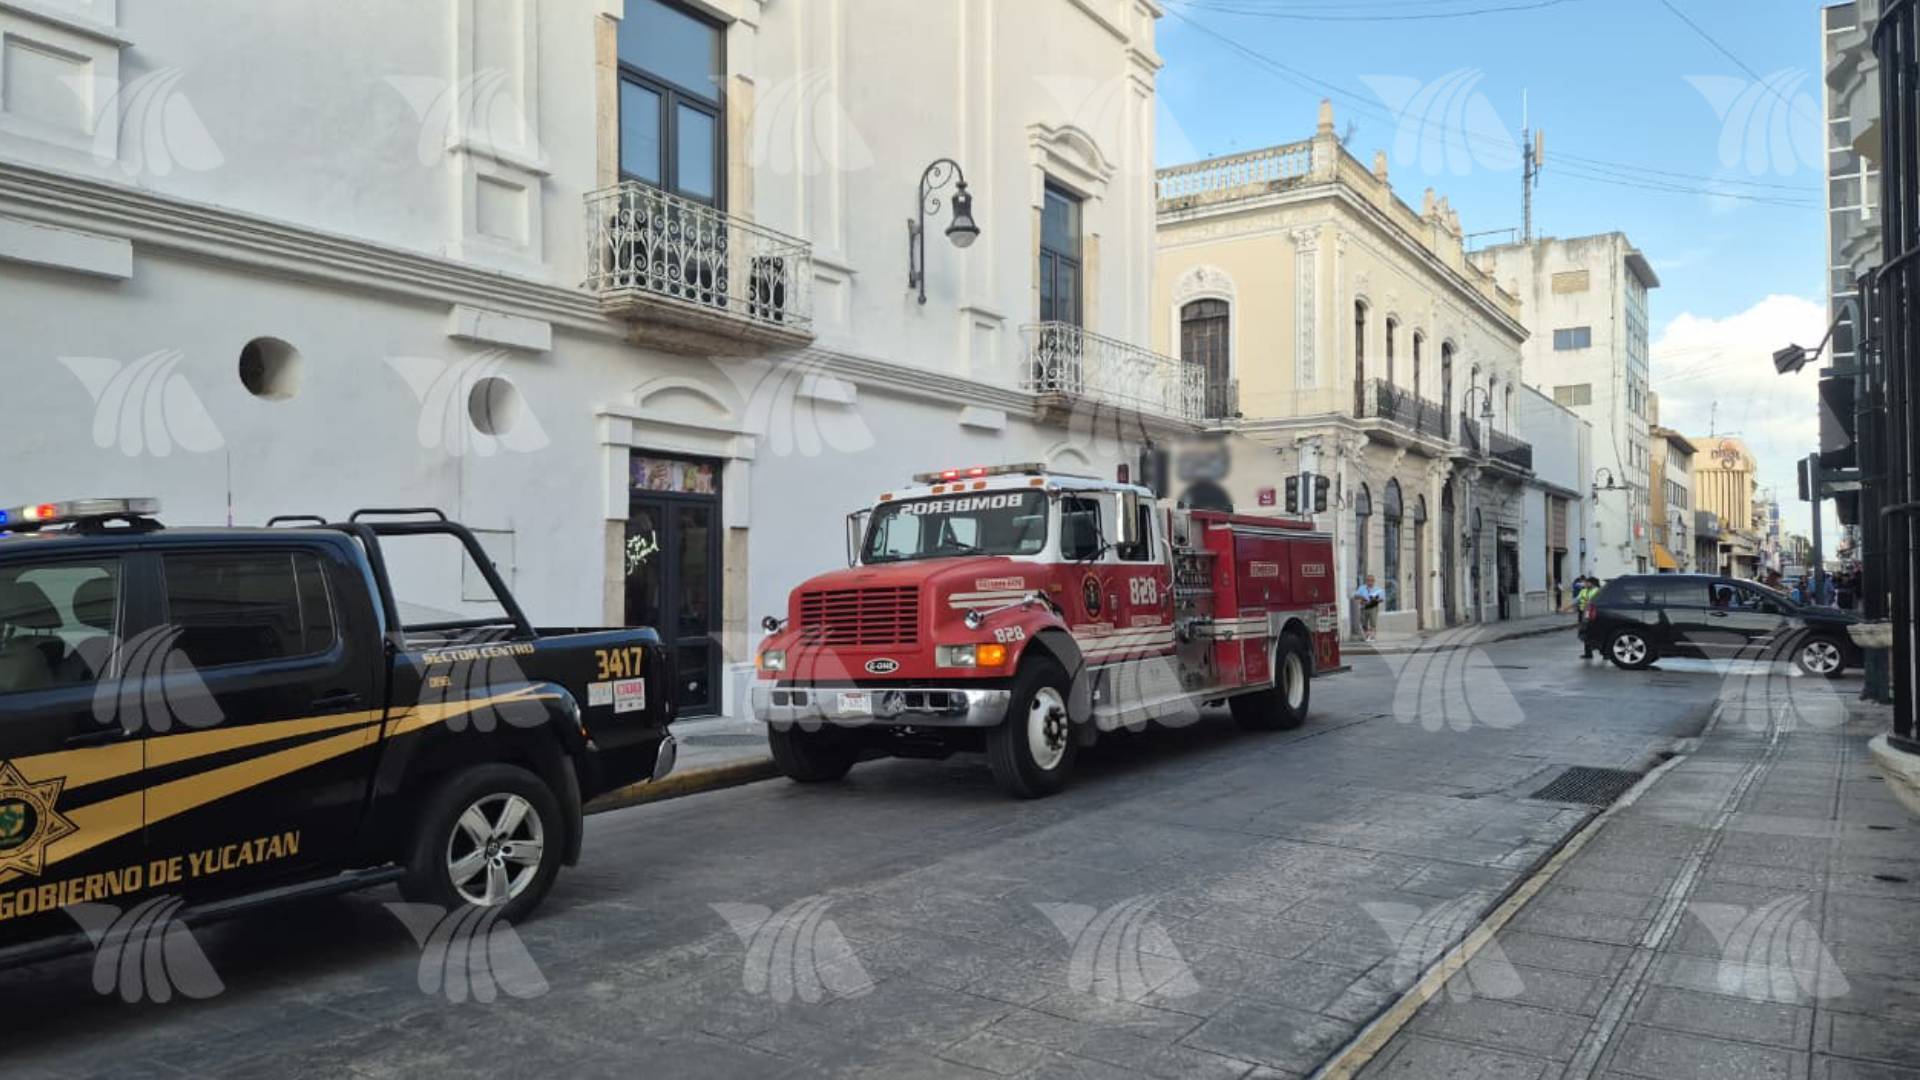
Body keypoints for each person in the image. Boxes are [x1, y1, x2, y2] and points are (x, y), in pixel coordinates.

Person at [1576, 577, 1602, 658]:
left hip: (1594, 613)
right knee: (1585, 632)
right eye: (1585, 583)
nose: (1585, 584)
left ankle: (1604, 652)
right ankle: (1588, 653)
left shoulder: (1598, 590)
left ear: (1592, 583)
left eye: (1587, 583)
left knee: (1597, 632)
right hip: (1583, 613)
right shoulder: (1583, 591)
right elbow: (1577, 600)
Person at [1355, 575, 1384, 641]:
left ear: (1374, 581)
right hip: (1364, 607)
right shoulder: (1362, 588)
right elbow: (1356, 596)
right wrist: (1361, 599)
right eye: (1368, 580)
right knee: (1363, 622)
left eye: (1371, 580)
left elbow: (1382, 599)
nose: (1370, 582)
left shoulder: (1377, 589)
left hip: (1373, 607)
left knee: (1373, 622)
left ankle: (1372, 636)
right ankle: (1367, 635)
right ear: (1366, 581)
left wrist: (1375, 600)